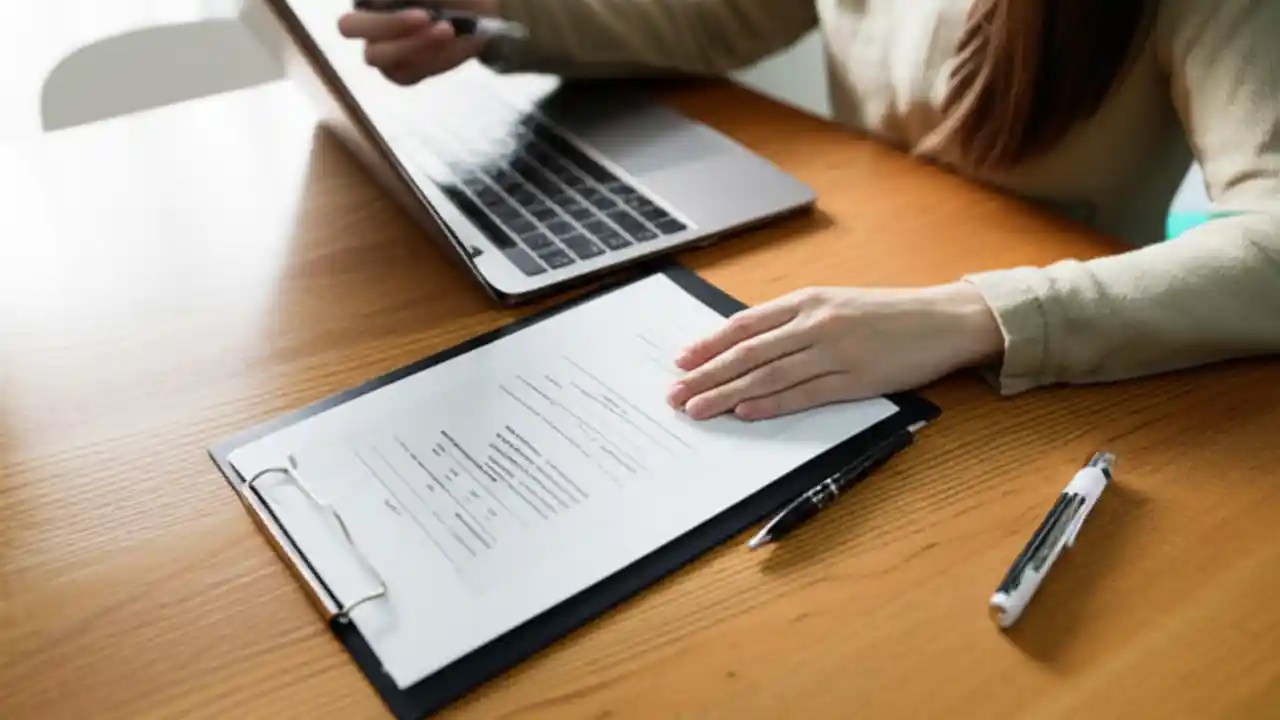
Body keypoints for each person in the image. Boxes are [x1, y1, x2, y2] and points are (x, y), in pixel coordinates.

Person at [339, 0, 1280, 421]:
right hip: (856, 275)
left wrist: (978, 316)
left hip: (1059, 373)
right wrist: (497, 12)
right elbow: (713, 15)